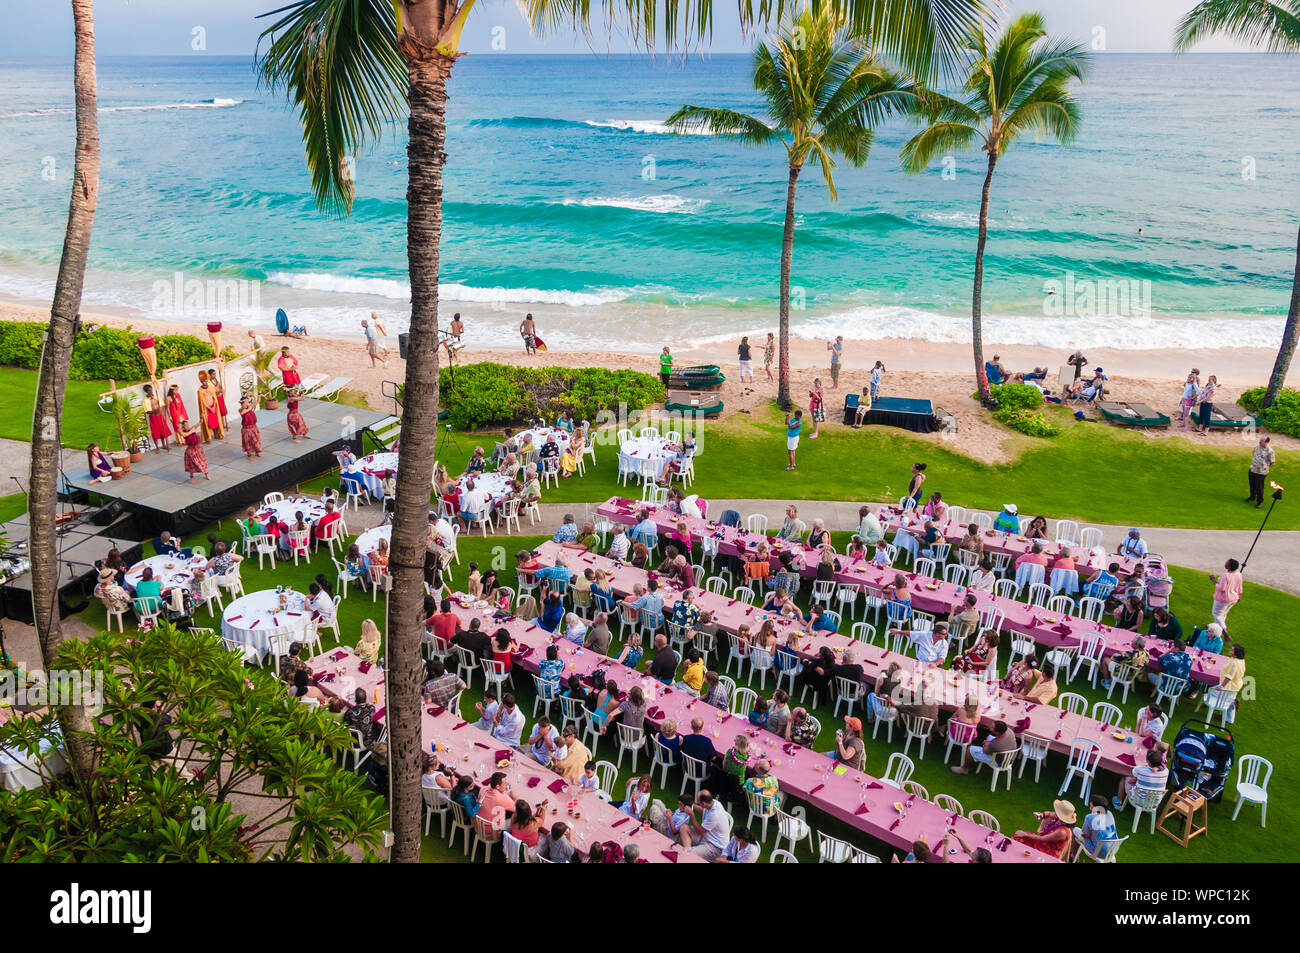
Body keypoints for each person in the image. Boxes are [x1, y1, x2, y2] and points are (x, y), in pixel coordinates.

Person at [951, 719, 1017, 775]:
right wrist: (989, 743)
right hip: (1009, 756)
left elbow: (985, 751)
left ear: (997, 732)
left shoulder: (996, 745)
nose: (990, 728)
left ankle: (964, 769)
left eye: (992, 728)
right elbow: (995, 741)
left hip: (999, 762)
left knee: (970, 749)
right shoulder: (1009, 731)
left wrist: (986, 744)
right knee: (989, 737)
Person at [689, 790, 732, 861]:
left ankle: (688, 852)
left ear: (703, 803)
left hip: (715, 847)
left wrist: (692, 815)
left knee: (690, 854)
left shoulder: (714, 814)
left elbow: (699, 831)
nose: (697, 803)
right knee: (683, 828)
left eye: (698, 803)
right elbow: (703, 810)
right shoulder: (714, 802)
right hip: (705, 837)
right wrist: (692, 805)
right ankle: (687, 847)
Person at [1209, 558, 1243, 630]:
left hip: (1223, 599)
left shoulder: (1225, 575)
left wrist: (1213, 580)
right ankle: (1216, 629)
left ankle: (1225, 632)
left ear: (1229, 567)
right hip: (1234, 599)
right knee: (1223, 614)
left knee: (1216, 614)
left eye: (1226, 563)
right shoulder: (1238, 574)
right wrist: (1239, 595)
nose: (1225, 563)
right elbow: (1240, 586)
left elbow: (1221, 588)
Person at [195, 370, 225, 442]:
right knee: (207, 422)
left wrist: (214, 406)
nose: (205, 382)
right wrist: (209, 408)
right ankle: (207, 437)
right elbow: (202, 402)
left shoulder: (211, 387)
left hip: (213, 406)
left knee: (216, 421)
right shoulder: (200, 390)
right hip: (206, 408)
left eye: (206, 381)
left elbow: (214, 397)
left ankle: (217, 434)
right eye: (203, 381)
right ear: (201, 382)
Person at [1247, 435, 1276, 507]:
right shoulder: (1256, 447)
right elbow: (1253, 454)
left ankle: (1260, 501)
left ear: (1266, 442)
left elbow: (1272, 462)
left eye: (1262, 441)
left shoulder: (1270, 451)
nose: (1260, 441)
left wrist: (1264, 466)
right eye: (1260, 440)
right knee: (1252, 485)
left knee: (1259, 487)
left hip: (1261, 472)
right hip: (1253, 469)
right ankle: (1252, 497)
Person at [142, 383, 171, 452]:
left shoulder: (157, 396)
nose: (151, 391)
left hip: (159, 416)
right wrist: (154, 411)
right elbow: (147, 411)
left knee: (162, 430)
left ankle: (164, 445)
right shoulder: (145, 401)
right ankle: (157, 447)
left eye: (151, 390)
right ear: (146, 391)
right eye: (149, 390)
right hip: (153, 418)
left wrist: (160, 410)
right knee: (155, 432)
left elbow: (162, 405)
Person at [238, 395, 263, 459]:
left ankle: (257, 451)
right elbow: (242, 412)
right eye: (245, 402)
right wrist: (249, 407)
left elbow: (258, 401)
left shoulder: (249, 406)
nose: (247, 403)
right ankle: (249, 455)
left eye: (247, 402)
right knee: (248, 442)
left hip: (254, 427)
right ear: (242, 403)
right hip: (247, 429)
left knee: (256, 440)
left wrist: (259, 394)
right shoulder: (241, 410)